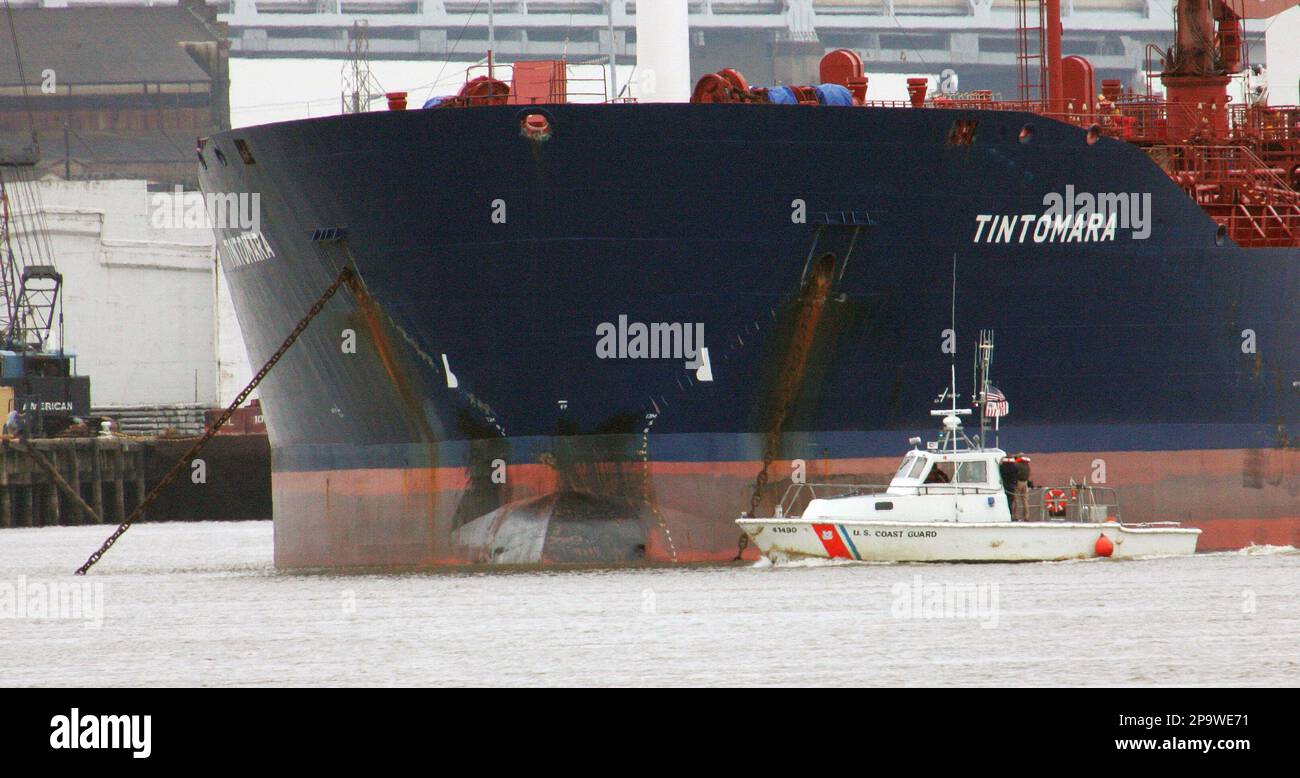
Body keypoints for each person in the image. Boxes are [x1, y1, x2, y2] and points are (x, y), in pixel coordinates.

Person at [1013, 453, 1032, 520]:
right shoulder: (1027, 465)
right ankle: (1026, 517)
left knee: (1016, 500)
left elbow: (1014, 473)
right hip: (1025, 483)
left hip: (1018, 483)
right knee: (1025, 500)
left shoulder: (1016, 465)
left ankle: (1016, 516)